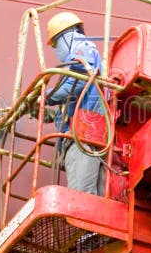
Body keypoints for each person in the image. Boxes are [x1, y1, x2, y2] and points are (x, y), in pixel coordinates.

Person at [44, 12, 105, 196]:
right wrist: (52, 115)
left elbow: (76, 82)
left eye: (54, 43)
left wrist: (44, 97)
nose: (55, 48)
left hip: (82, 137)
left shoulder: (81, 48)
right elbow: (78, 100)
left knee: (82, 197)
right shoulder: (78, 57)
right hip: (86, 134)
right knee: (93, 198)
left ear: (65, 35)